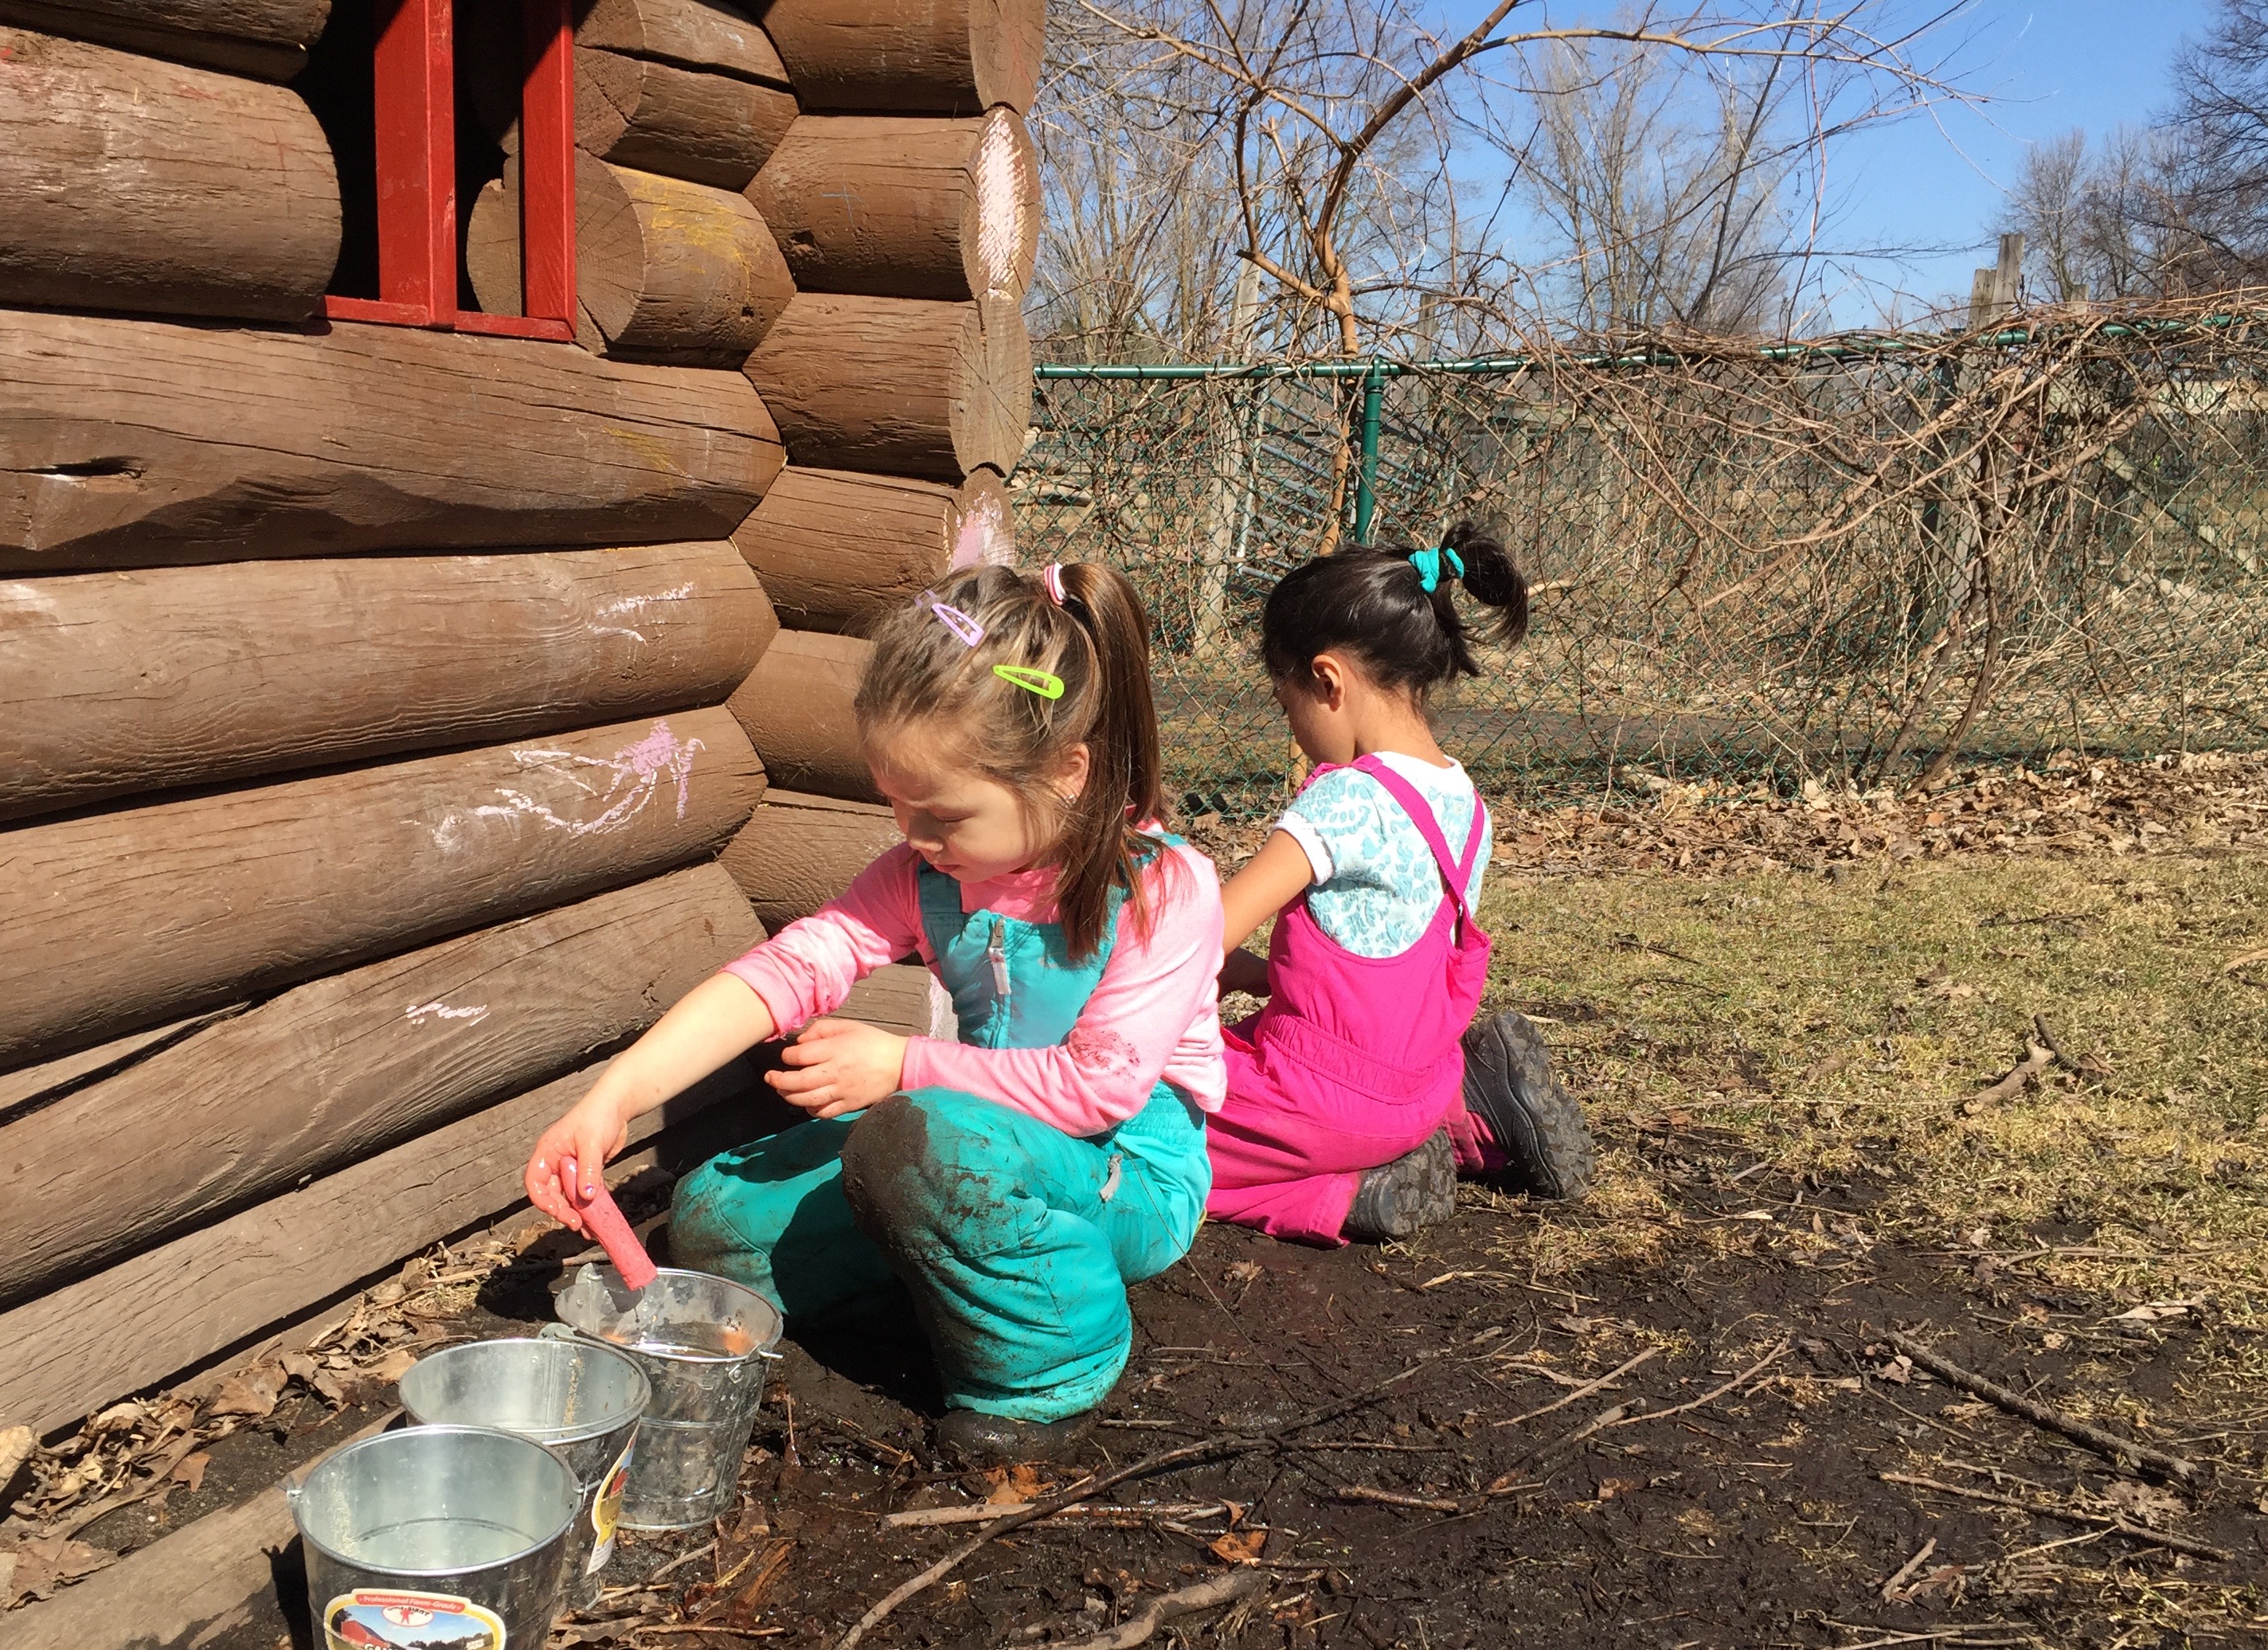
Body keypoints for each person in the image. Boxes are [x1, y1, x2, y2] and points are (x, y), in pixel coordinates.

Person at [523, 561, 1226, 1465]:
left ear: (1066, 773)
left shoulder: (1163, 889)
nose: (913, 838)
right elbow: (786, 971)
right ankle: (952, 1269)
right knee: (713, 1221)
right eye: (895, 805)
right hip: (970, 1145)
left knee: (908, 1143)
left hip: (1128, 1171)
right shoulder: (925, 878)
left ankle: (1051, 1375)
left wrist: (901, 1066)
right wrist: (612, 1099)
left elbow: (1101, 1090)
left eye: (940, 813)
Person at [1203, 522, 1593, 1247]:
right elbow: (1381, 982)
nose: (1294, 730)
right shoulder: (1465, 804)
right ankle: (1468, 1118)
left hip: (1317, 1105)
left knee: (1144, 1129)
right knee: (1329, 1087)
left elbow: (1199, 939)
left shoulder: (1341, 801)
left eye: (1288, 706)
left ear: (1328, 682)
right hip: (1413, 1087)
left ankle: (1344, 1193)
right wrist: (1257, 976)